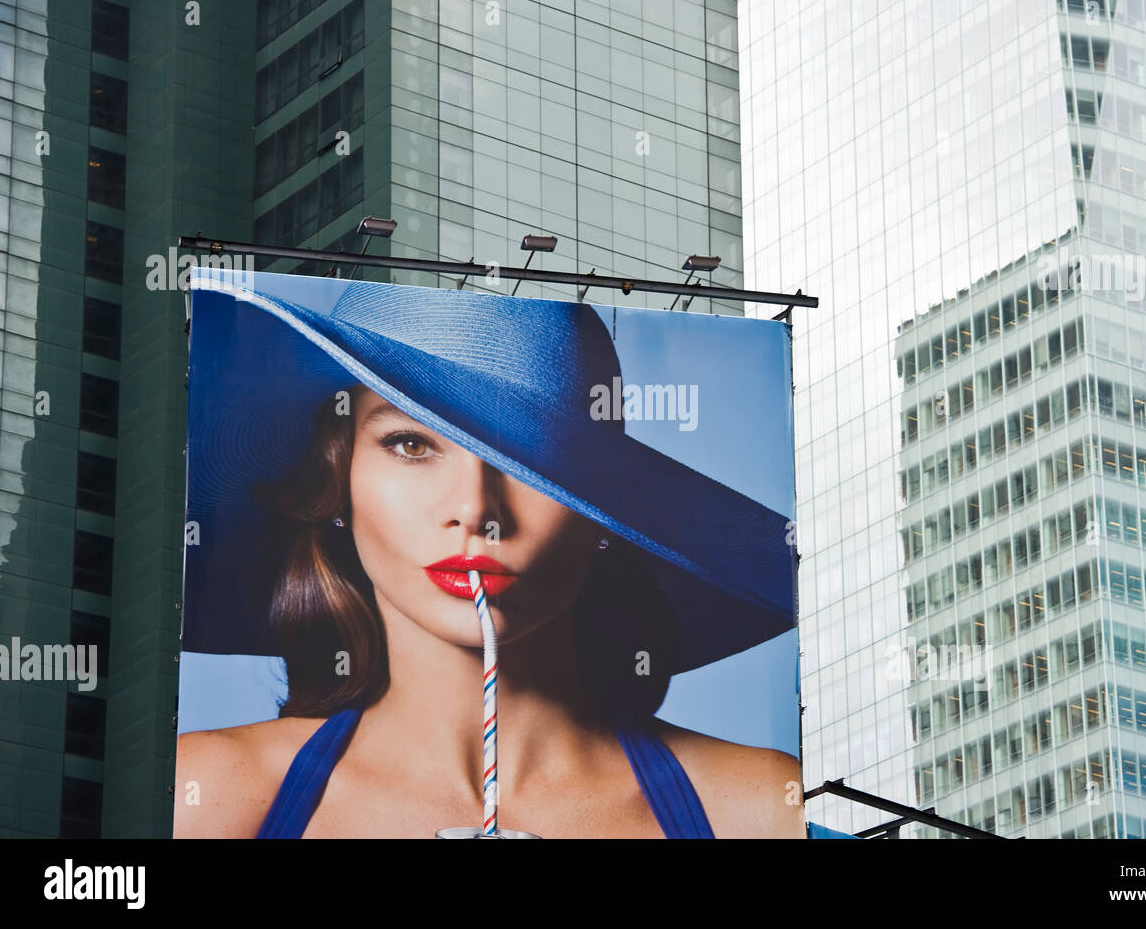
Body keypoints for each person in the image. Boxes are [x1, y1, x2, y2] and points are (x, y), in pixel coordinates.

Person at [175, 275, 804, 838]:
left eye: (534, 461)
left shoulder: (750, 809)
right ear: (336, 483)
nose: (476, 509)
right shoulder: (211, 795)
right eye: (410, 443)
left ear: (603, 513)